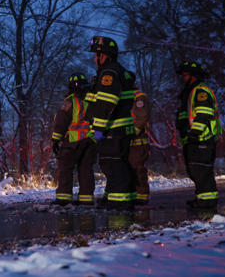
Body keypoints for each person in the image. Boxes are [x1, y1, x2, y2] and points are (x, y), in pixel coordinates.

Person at [85, 36, 137, 210]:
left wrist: (98, 129)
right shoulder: (116, 71)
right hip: (118, 130)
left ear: (105, 55)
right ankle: (117, 199)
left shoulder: (109, 73)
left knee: (112, 164)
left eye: (96, 55)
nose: (94, 59)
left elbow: (105, 103)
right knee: (117, 164)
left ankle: (119, 205)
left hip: (112, 130)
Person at [176, 60, 222, 209]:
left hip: (202, 138)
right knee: (195, 170)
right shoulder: (190, 93)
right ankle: (202, 198)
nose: (183, 78)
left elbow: (203, 114)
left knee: (202, 170)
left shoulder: (201, 91)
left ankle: (208, 202)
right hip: (193, 138)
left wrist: (195, 133)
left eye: (186, 75)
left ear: (194, 76)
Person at [50, 73, 95, 205]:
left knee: (65, 168)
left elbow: (61, 122)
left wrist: (55, 140)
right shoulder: (93, 100)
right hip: (90, 141)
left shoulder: (70, 102)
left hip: (73, 142)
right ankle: (86, 199)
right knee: (86, 170)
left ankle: (64, 199)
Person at [129, 83, 151, 205]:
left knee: (138, 169)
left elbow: (142, 117)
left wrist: (133, 132)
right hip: (131, 142)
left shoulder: (139, 97)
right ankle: (135, 195)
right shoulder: (128, 98)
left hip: (138, 141)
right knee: (132, 169)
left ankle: (142, 197)